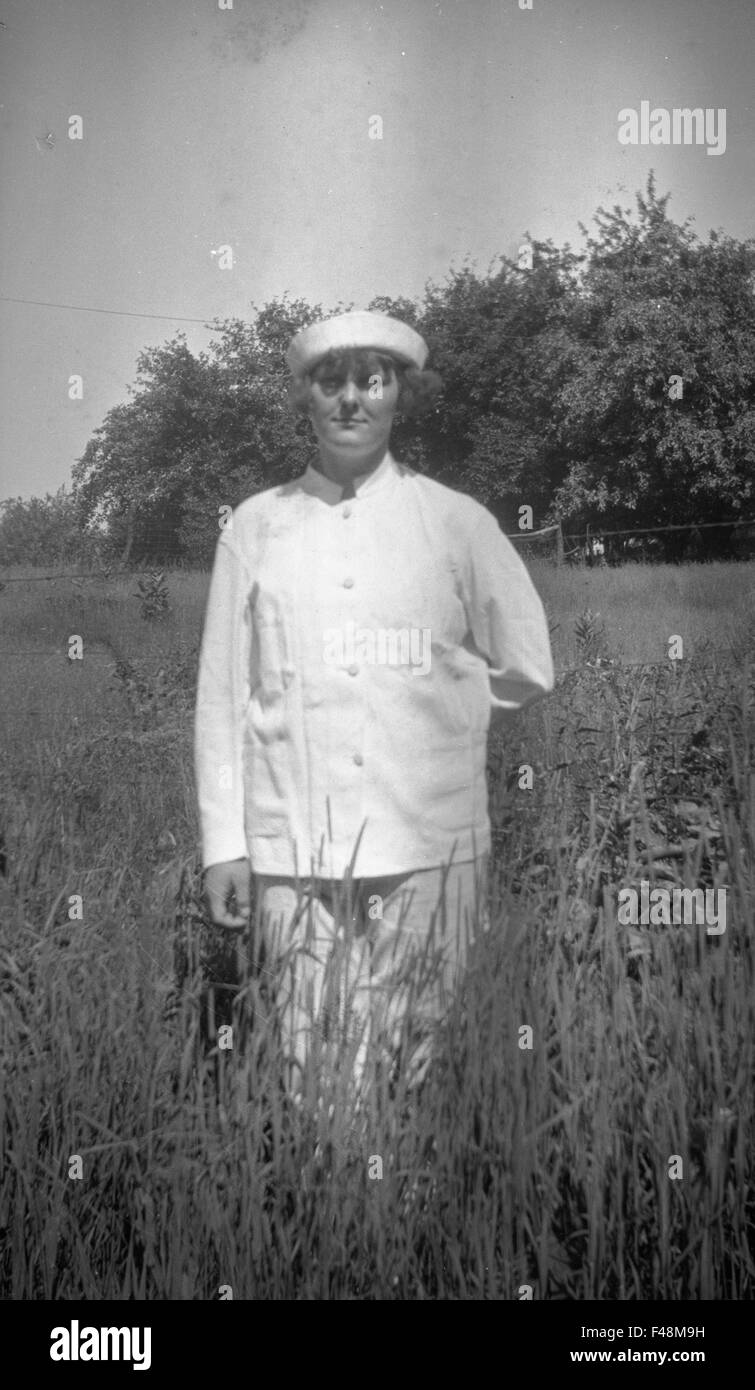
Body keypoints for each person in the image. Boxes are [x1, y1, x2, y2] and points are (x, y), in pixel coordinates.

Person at [194, 310, 554, 1100]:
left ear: (400, 395)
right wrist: (225, 841)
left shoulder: (455, 522)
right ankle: (330, 1216)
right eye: (332, 381)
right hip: (294, 844)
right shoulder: (255, 527)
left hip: (429, 837)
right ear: (307, 398)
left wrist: (440, 701)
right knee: (308, 1060)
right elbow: (223, 694)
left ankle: (409, 1216)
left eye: (372, 379)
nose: (351, 399)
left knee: (416, 1050)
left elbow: (528, 665)